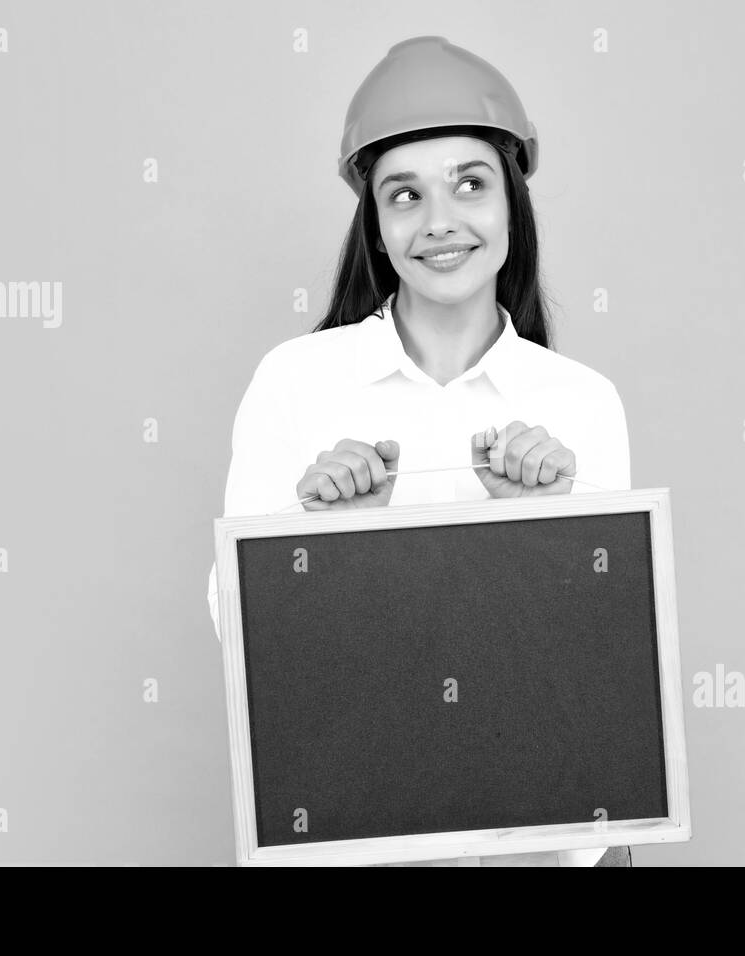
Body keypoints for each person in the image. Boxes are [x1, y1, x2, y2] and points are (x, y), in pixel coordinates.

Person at [207, 36, 633, 867]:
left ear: (512, 204)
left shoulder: (580, 400)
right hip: (353, 844)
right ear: (376, 223)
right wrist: (332, 549)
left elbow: (601, 677)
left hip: (544, 850)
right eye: (405, 195)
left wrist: (541, 533)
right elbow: (242, 642)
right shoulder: (296, 381)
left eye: (469, 185)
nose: (440, 222)